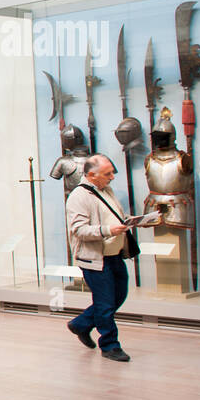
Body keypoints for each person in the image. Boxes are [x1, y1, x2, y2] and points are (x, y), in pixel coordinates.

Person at [65, 154, 134, 362]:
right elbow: (79, 229)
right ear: (92, 175)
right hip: (95, 258)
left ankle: (81, 323)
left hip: (114, 255)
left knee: (117, 297)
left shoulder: (104, 190)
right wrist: (108, 230)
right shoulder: (79, 196)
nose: (112, 177)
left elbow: (111, 216)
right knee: (105, 303)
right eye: (108, 173)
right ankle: (110, 345)